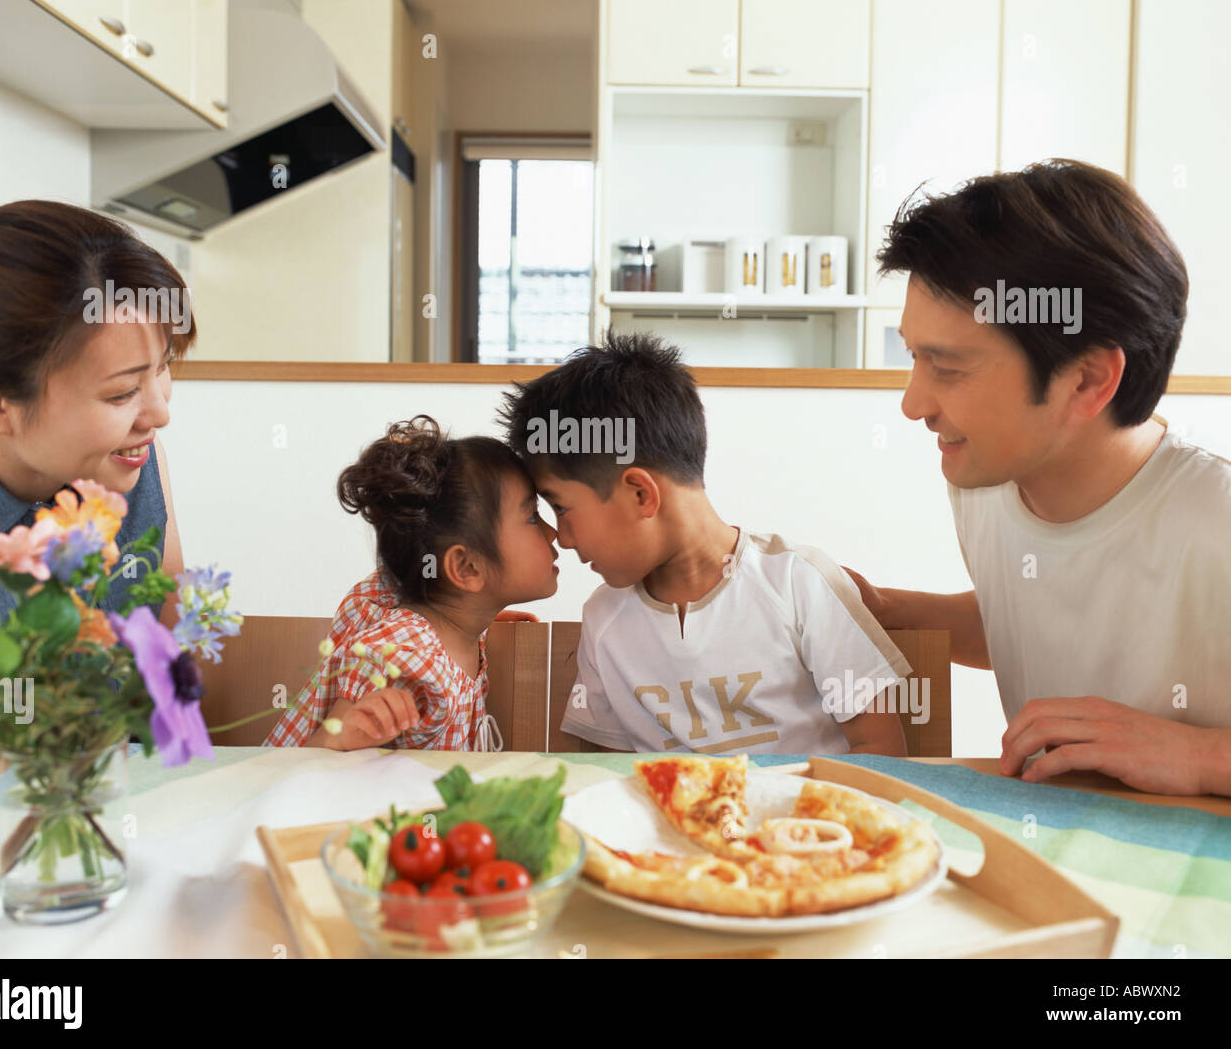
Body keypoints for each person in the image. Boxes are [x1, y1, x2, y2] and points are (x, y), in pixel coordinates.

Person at [843, 159, 1231, 796]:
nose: (913, 404)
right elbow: (1037, 612)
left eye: (948, 368)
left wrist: (1200, 755)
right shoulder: (985, 482)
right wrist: (890, 610)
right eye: (913, 356)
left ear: (1087, 380)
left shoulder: (1214, 518)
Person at [498, 333, 911, 756]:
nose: (563, 538)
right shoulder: (604, 618)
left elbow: (880, 751)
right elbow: (610, 773)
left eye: (561, 508)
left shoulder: (799, 582)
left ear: (640, 494)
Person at [0, 177, 193, 624]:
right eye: (122, 392)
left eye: (163, 365)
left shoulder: (136, 460)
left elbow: (169, 645)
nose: (160, 414)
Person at [264, 416, 559, 751]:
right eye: (532, 516)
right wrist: (343, 739)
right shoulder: (406, 660)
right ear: (466, 567)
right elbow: (317, 761)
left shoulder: (435, 616)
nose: (553, 533)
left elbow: (411, 600)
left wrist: (484, 613)